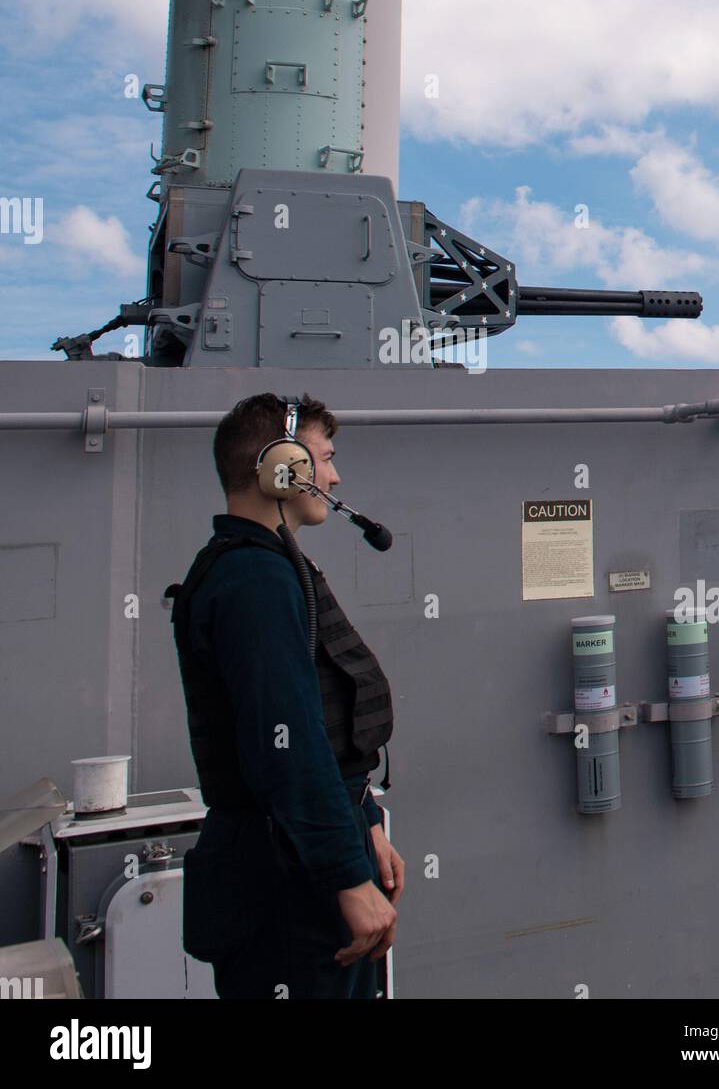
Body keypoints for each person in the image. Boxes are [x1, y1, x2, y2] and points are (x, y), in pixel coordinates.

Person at [169, 391, 403, 999]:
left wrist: (366, 823)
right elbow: (288, 745)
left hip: (305, 858)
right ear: (285, 468)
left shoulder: (272, 567)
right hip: (287, 883)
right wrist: (348, 879)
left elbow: (316, 727)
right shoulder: (254, 580)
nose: (334, 475)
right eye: (324, 458)